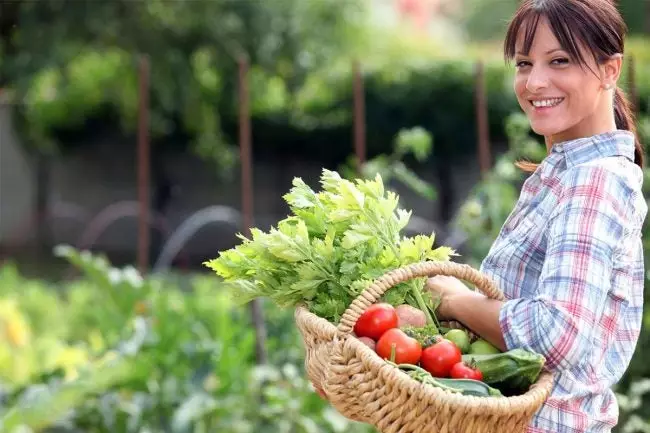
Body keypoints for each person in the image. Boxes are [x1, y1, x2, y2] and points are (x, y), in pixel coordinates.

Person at [427, 0, 647, 432]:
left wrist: (455, 300)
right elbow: (518, 309)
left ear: (610, 70)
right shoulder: (565, 173)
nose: (535, 81)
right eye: (525, 63)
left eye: (560, 60)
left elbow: (555, 334)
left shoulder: (594, 181)